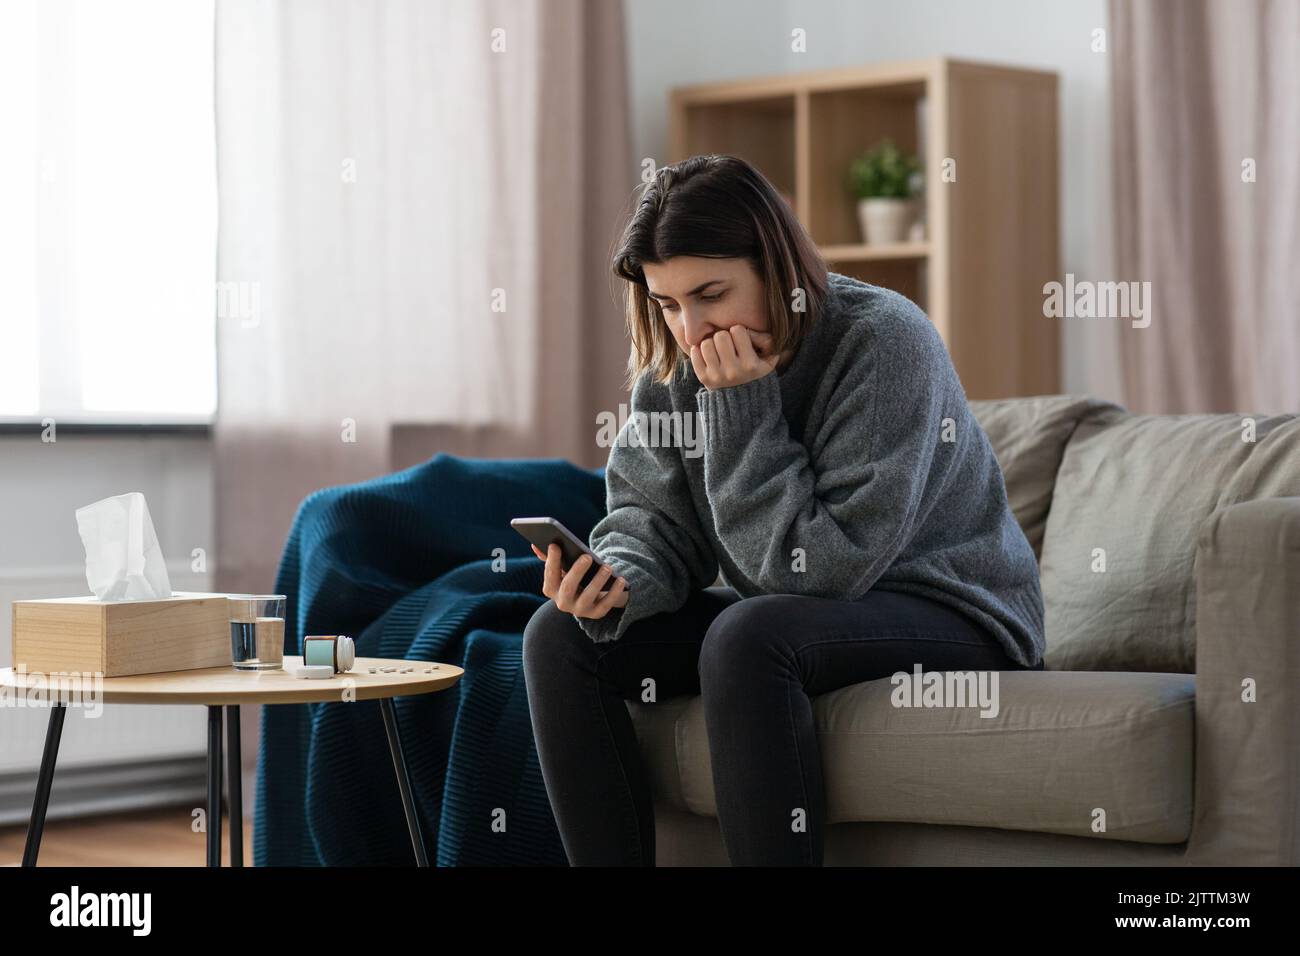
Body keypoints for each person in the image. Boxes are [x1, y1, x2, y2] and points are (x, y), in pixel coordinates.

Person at [522, 153, 1045, 866]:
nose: (692, 328)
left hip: (955, 608)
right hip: (796, 609)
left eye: (711, 293)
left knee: (748, 635)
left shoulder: (884, 339)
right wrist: (616, 582)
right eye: (668, 303)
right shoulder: (676, 363)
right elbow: (653, 523)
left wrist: (742, 406)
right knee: (561, 634)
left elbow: (827, 569)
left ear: (776, 264)